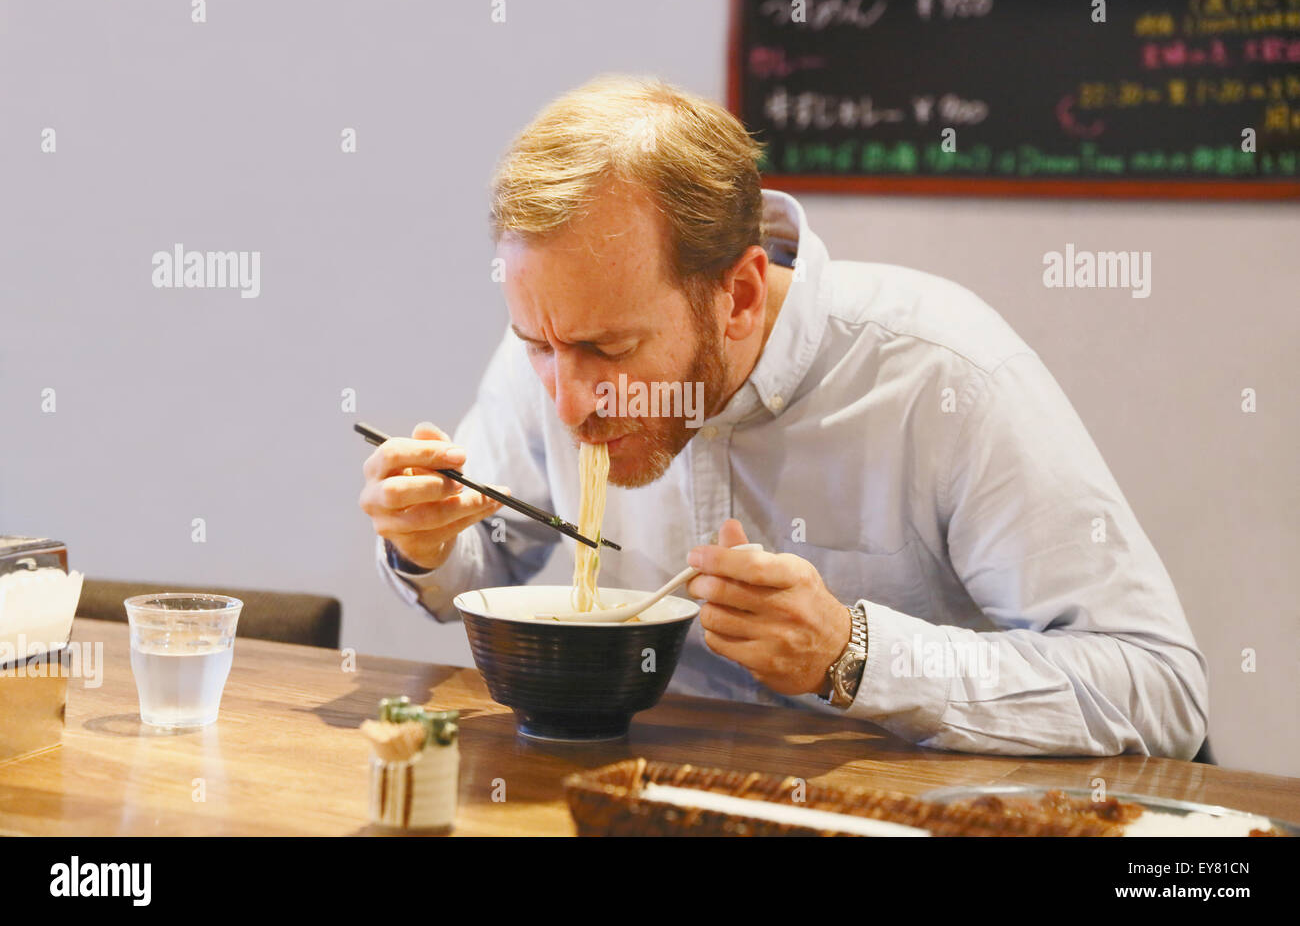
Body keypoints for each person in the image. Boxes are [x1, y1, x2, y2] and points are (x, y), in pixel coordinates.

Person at [359, 75, 1208, 758]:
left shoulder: (946, 375)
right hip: (656, 798)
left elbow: (1160, 690)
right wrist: (426, 540)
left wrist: (854, 654)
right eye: (538, 345)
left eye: (611, 353)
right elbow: (485, 565)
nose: (570, 401)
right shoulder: (559, 337)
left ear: (736, 295)